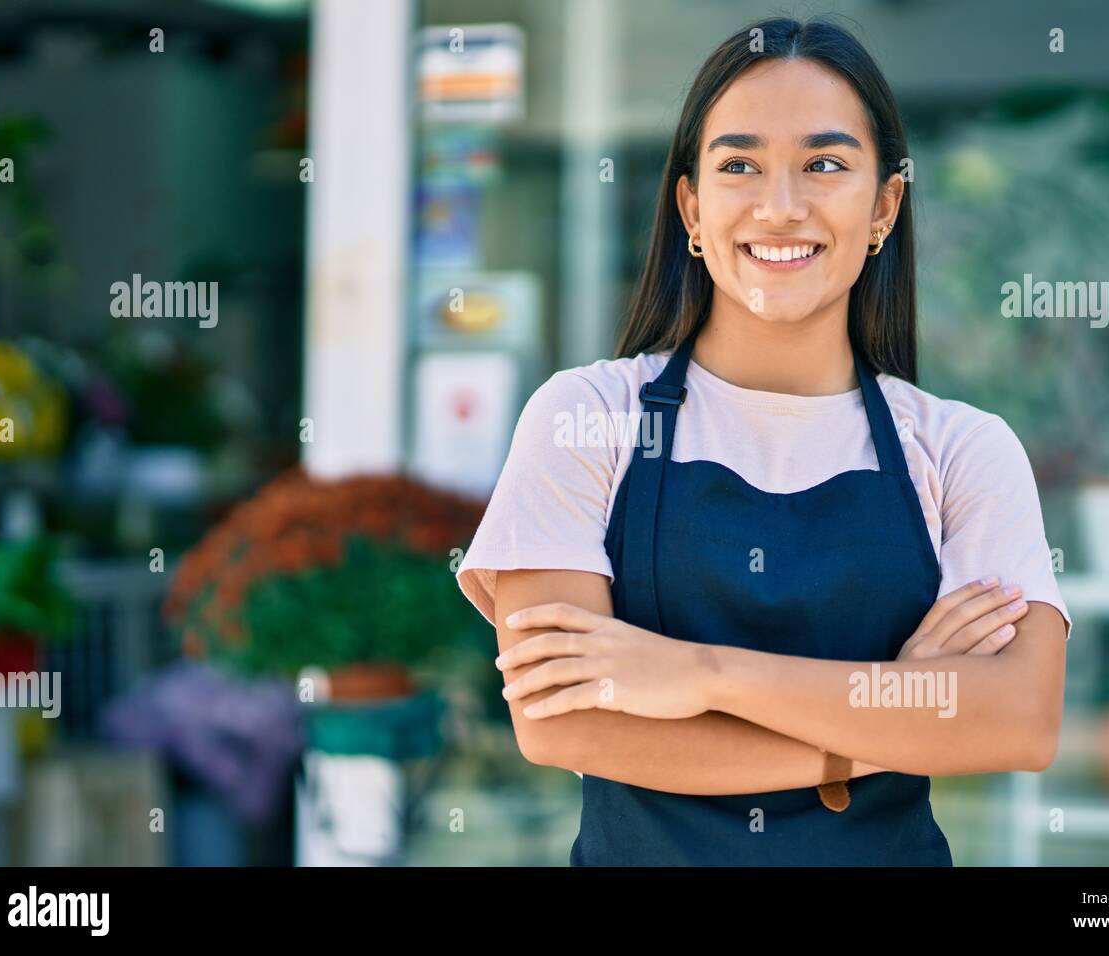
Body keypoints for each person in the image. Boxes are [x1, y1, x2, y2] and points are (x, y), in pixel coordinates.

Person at [455, 15, 1071, 866]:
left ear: (884, 204)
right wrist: (891, 716)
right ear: (692, 209)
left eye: (825, 164)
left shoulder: (966, 450)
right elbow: (566, 721)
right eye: (739, 165)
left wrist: (699, 676)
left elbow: (1019, 720)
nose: (781, 207)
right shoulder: (588, 416)